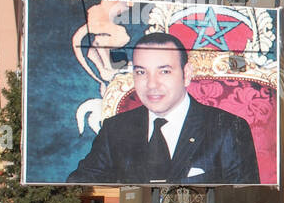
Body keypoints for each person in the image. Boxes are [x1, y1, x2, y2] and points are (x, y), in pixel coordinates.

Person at [67, 32, 260, 184]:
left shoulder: (227, 128)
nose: (152, 84)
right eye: (142, 72)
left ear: (186, 74)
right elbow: (78, 184)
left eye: (164, 71)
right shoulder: (116, 130)